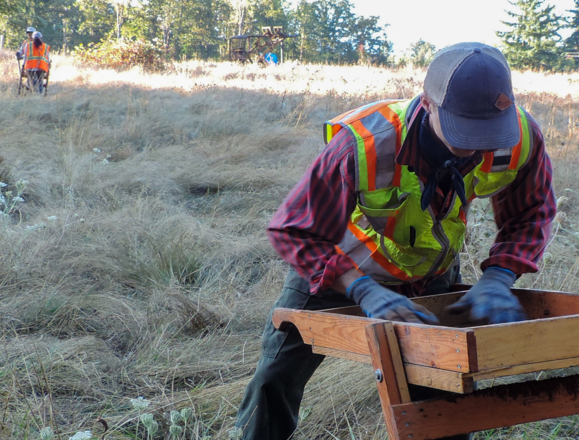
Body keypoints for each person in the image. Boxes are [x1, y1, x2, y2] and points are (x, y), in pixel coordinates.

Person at [234, 42, 556, 440]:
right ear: (428, 103)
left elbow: (531, 213)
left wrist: (499, 277)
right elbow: (296, 229)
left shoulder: (520, 139)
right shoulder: (365, 143)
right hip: (338, 268)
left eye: (488, 132)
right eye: (464, 130)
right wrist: (362, 288)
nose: (476, 144)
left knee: (444, 392)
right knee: (274, 379)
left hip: (429, 273)